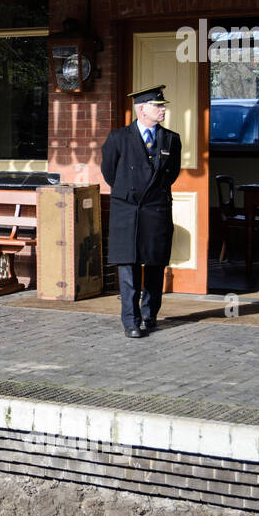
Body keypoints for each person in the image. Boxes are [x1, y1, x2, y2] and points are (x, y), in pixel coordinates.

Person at [100, 85, 182, 338]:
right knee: (128, 268)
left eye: (163, 106)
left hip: (156, 209)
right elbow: (110, 172)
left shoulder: (171, 139)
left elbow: (172, 173)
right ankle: (131, 321)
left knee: (156, 266)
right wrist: (128, 193)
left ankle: (150, 314)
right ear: (141, 109)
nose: (163, 110)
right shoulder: (118, 138)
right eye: (158, 106)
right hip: (128, 211)